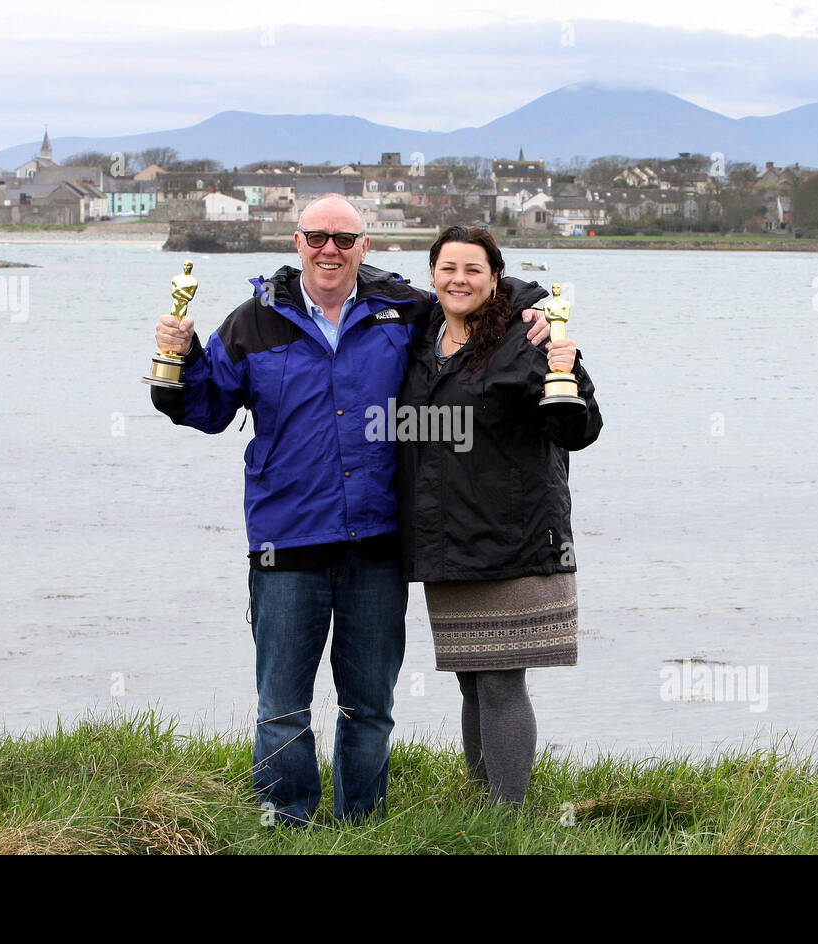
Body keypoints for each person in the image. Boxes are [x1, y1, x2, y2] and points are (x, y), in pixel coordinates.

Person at [149, 195, 549, 825]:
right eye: (316, 237)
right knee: (281, 703)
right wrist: (179, 361)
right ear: (296, 243)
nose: (329, 248)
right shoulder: (253, 323)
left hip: (380, 542)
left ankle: (361, 821)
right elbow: (206, 410)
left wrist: (533, 309)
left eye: (344, 238)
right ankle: (286, 820)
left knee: (370, 705)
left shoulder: (403, 312)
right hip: (287, 540)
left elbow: (466, 288)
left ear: (366, 246)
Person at [396, 225, 602, 805]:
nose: (459, 280)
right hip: (448, 540)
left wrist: (571, 367)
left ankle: (509, 817)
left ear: (494, 279)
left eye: (474, 270)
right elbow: (371, 283)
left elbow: (578, 428)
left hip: (514, 540)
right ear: (432, 274)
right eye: (447, 268)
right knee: (470, 678)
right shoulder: (423, 336)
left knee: (501, 680)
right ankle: (484, 803)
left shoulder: (524, 338)